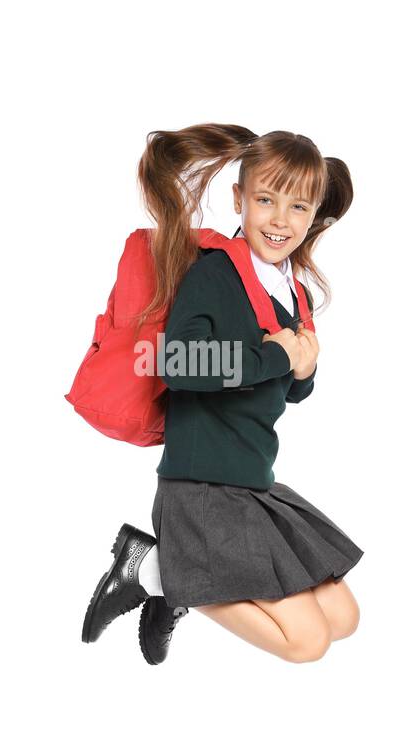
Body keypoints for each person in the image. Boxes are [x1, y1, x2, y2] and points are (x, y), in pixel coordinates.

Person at [81, 124, 362, 664]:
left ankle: (173, 577)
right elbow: (180, 364)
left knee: (343, 618)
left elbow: (290, 389)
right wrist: (281, 354)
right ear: (239, 199)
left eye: (298, 207)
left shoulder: (290, 288)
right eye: (265, 200)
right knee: (307, 642)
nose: (281, 220)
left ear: (313, 215)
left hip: (251, 484)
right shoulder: (215, 274)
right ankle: (157, 573)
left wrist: (303, 366)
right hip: (203, 487)